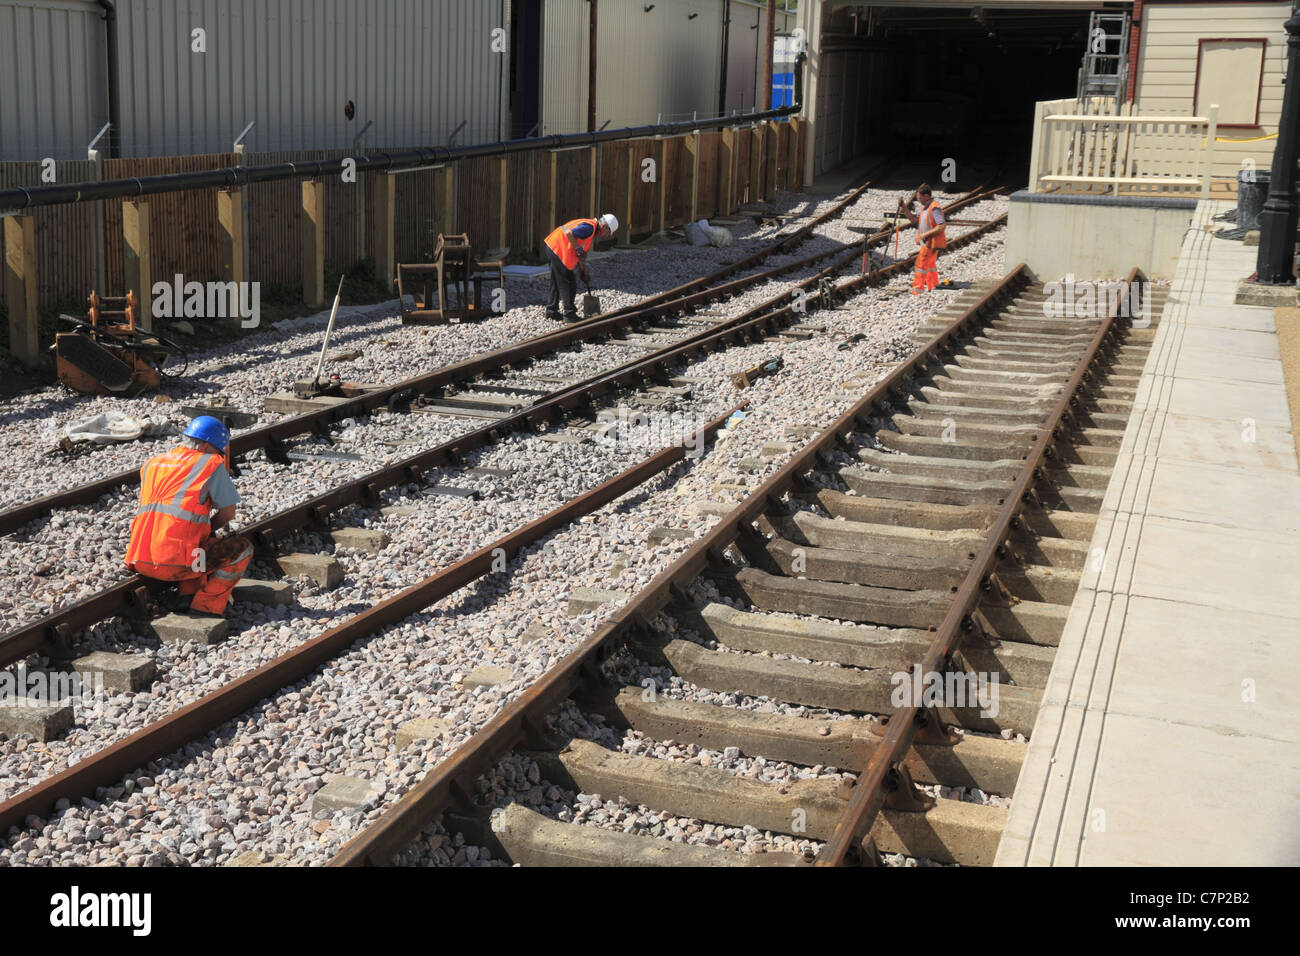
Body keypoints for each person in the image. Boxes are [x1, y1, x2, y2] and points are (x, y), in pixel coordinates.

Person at [124, 416, 253, 617]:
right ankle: (206, 607)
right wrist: (209, 529)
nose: (219, 456)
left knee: (194, 541)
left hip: (138, 558)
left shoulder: (153, 463)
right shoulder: (210, 464)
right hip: (178, 564)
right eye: (219, 451)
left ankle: (187, 594)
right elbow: (228, 514)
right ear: (209, 447)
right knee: (241, 549)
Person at [542, 213, 618, 321]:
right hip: (558, 248)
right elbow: (569, 233)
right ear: (605, 226)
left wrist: (583, 271)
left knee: (556, 280)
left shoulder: (590, 228)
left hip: (553, 246)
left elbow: (580, 256)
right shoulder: (589, 228)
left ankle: (551, 311)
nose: (607, 235)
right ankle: (569, 314)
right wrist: (578, 248)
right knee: (568, 281)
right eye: (608, 232)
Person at [897, 184, 947, 294]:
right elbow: (914, 220)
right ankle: (933, 285)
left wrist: (926, 234)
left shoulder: (934, 208)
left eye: (919, 197)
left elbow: (941, 225)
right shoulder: (924, 208)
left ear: (926, 196)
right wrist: (904, 207)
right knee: (930, 265)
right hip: (929, 243)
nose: (918, 200)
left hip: (931, 242)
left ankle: (917, 289)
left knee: (920, 264)